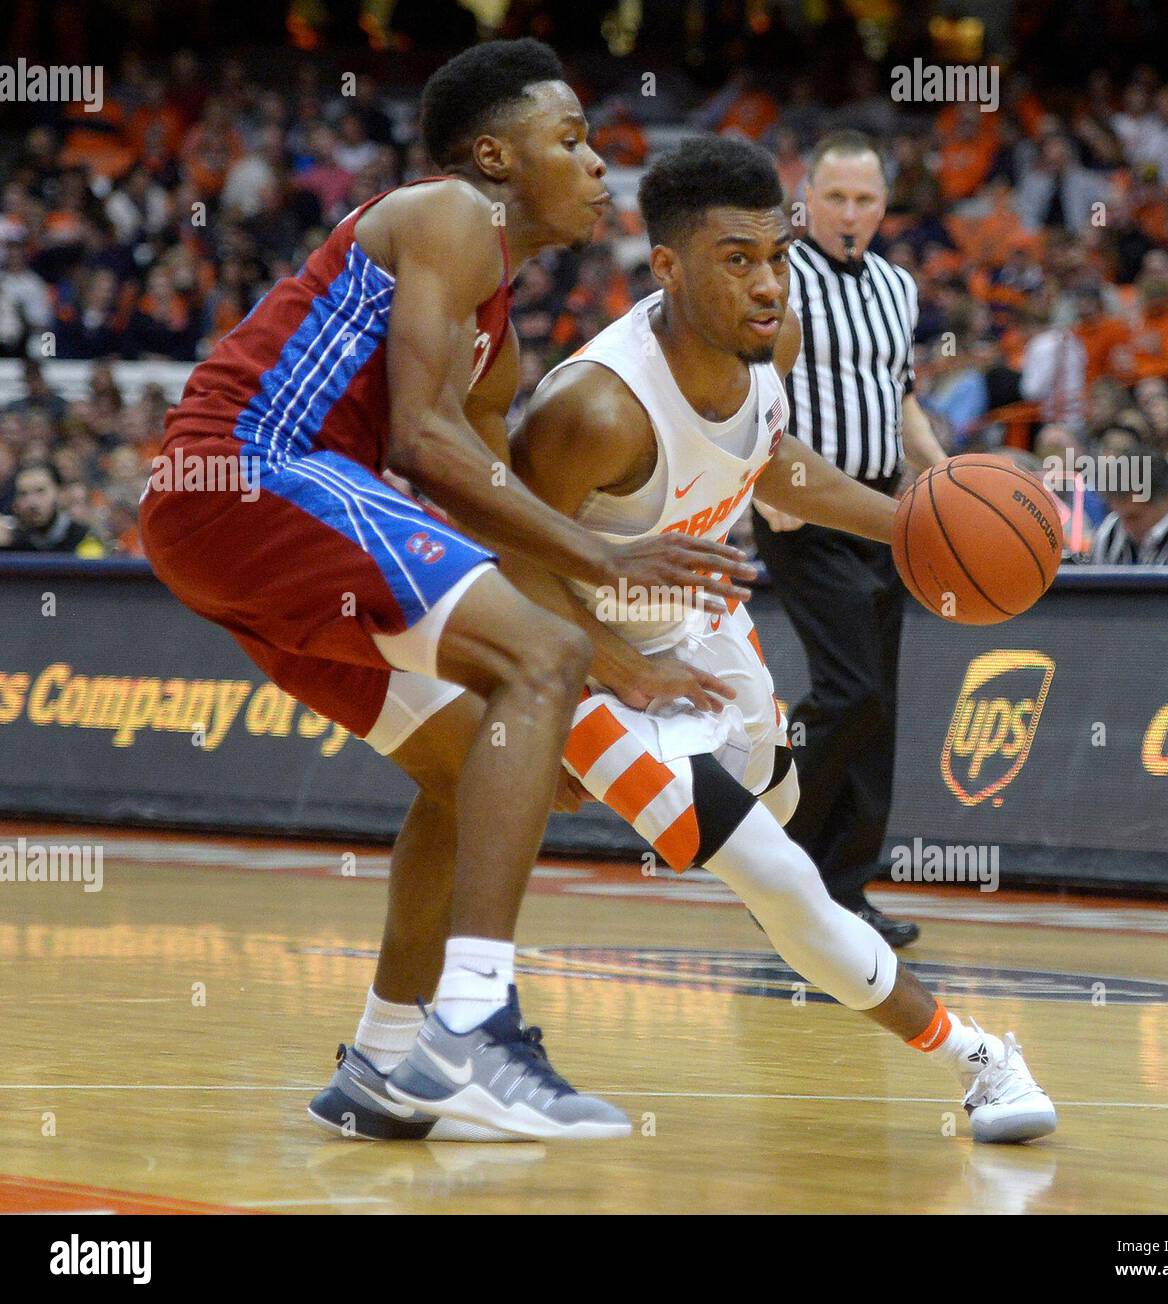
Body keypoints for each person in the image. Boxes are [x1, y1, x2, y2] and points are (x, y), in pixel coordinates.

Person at [327, 136, 1057, 1147]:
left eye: (776, 254)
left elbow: (768, 460)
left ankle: (377, 1052)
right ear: (665, 266)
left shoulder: (777, 337)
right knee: (779, 876)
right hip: (578, 648)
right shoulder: (595, 406)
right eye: (735, 258)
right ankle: (979, 1057)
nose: (766, 283)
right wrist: (605, 672)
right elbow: (501, 555)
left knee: (732, 805)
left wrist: (910, 523)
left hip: (703, 629)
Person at [139, 39, 753, 1142]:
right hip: (251, 468)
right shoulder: (451, 214)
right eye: (568, 139)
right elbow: (420, 445)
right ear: (493, 156)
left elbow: (486, 509)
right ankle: (474, 1022)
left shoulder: (497, 341)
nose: (598, 162)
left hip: (230, 531)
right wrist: (600, 571)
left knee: (488, 757)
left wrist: (607, 662)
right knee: (537, 672)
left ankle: (381, 1060)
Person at [752, 131, 947, 947]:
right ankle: (773, 851)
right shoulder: (780, 279)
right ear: (806, 199)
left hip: (883, 510)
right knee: (851, 690)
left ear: (883, 206)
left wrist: (946, 479)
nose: (851, 214)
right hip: (804, 504)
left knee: (881, 705)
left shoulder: (898, 287)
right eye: (837, 198)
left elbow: (896, 397)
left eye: (866, 200)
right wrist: (769, 480)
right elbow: (754, 385)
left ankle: (843, 893)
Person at [0, 462, 106, 555]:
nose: (32, 503)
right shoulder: (11, 540)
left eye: (40, 491)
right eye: (23, 494)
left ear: (60, 494)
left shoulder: (84, 539)